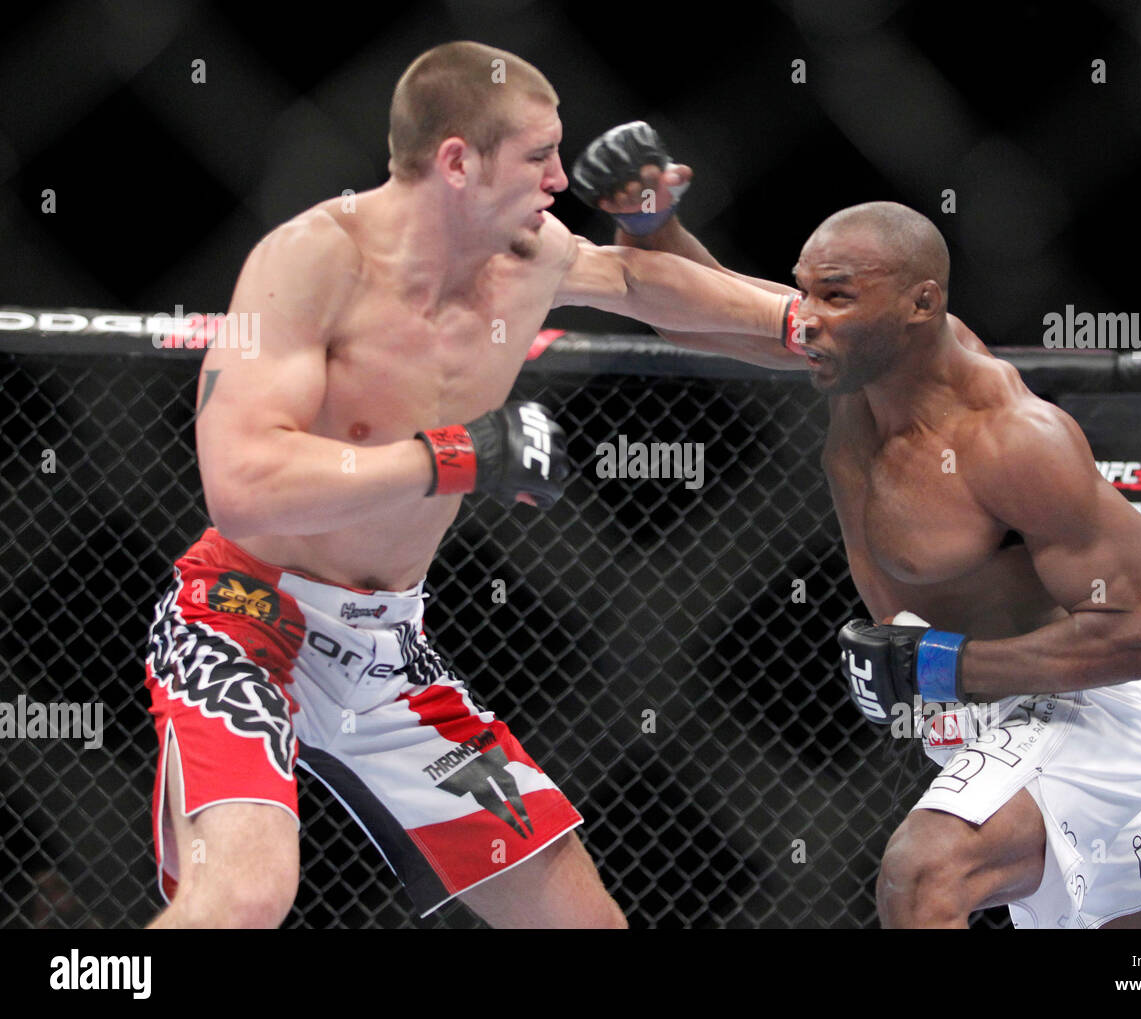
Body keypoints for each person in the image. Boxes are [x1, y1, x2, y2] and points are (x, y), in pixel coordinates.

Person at [143, 45, 800, 929]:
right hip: (243, 619)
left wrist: (805, 323)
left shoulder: (532, 257)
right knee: (247, 893)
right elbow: (244, 484)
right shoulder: (311, 262)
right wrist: (455, 455)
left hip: (388, 658)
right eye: (538, 156)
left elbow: (665, 291)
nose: (562, 179)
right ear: (458, 161)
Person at [570, 122, 1141, 929]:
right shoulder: (853, 360)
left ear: (921, 302)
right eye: (803, 289)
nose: (806, 316)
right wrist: (650, 226)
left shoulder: (1013, 439)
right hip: (974, 720)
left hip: (1070, 714)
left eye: (835, 294)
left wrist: (948, 664)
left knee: (924, 872)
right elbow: (707, 315)